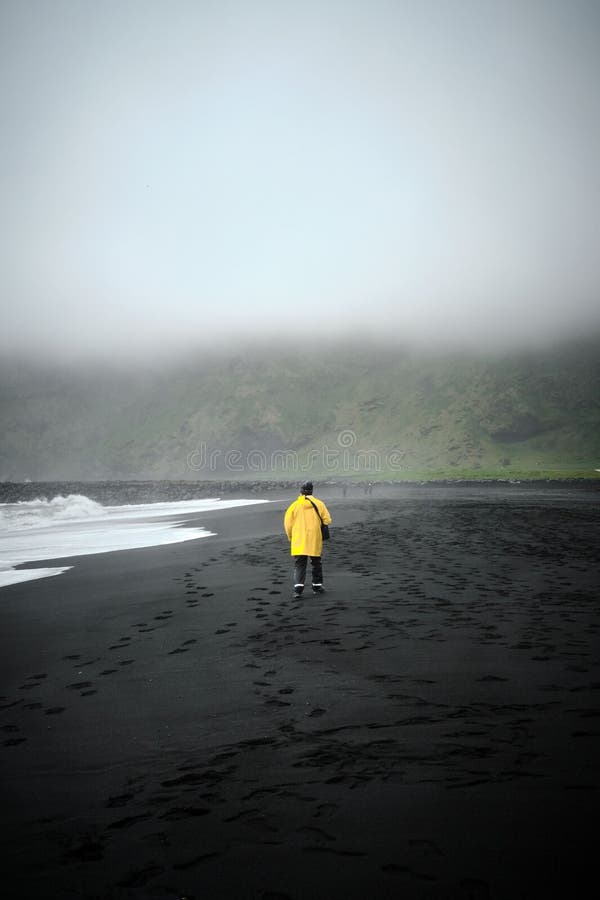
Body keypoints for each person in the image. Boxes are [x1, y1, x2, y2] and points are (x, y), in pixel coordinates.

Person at [284, 481, 332, 598]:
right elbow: (327, 520)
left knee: (300, 564)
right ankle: (317, 586)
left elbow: (288, 524)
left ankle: (298, 590)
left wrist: (290, 537)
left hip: (299, 539)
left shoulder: (294, 506)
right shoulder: (319, 504)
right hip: (314, 537)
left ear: (300, 491)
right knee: (316, 562)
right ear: (312, 491)